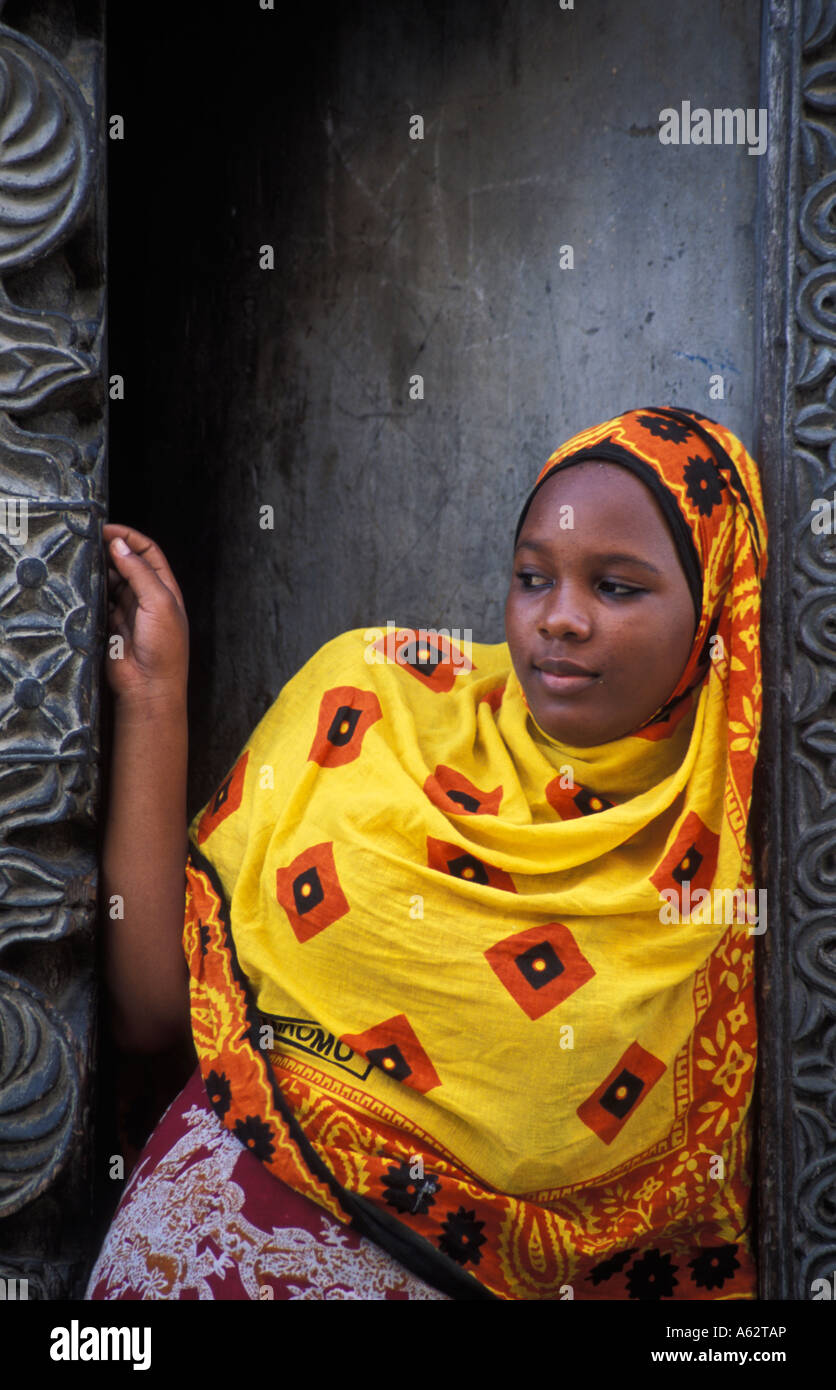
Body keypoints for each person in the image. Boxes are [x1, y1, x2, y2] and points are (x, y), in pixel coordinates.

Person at [87, 406, 766, 1301]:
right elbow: (151, 1014)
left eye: (617, 588)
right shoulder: (369, 708)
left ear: (714, 614)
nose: (559, 619)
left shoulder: (709, 882)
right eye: (533, 577)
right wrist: (154, 696)